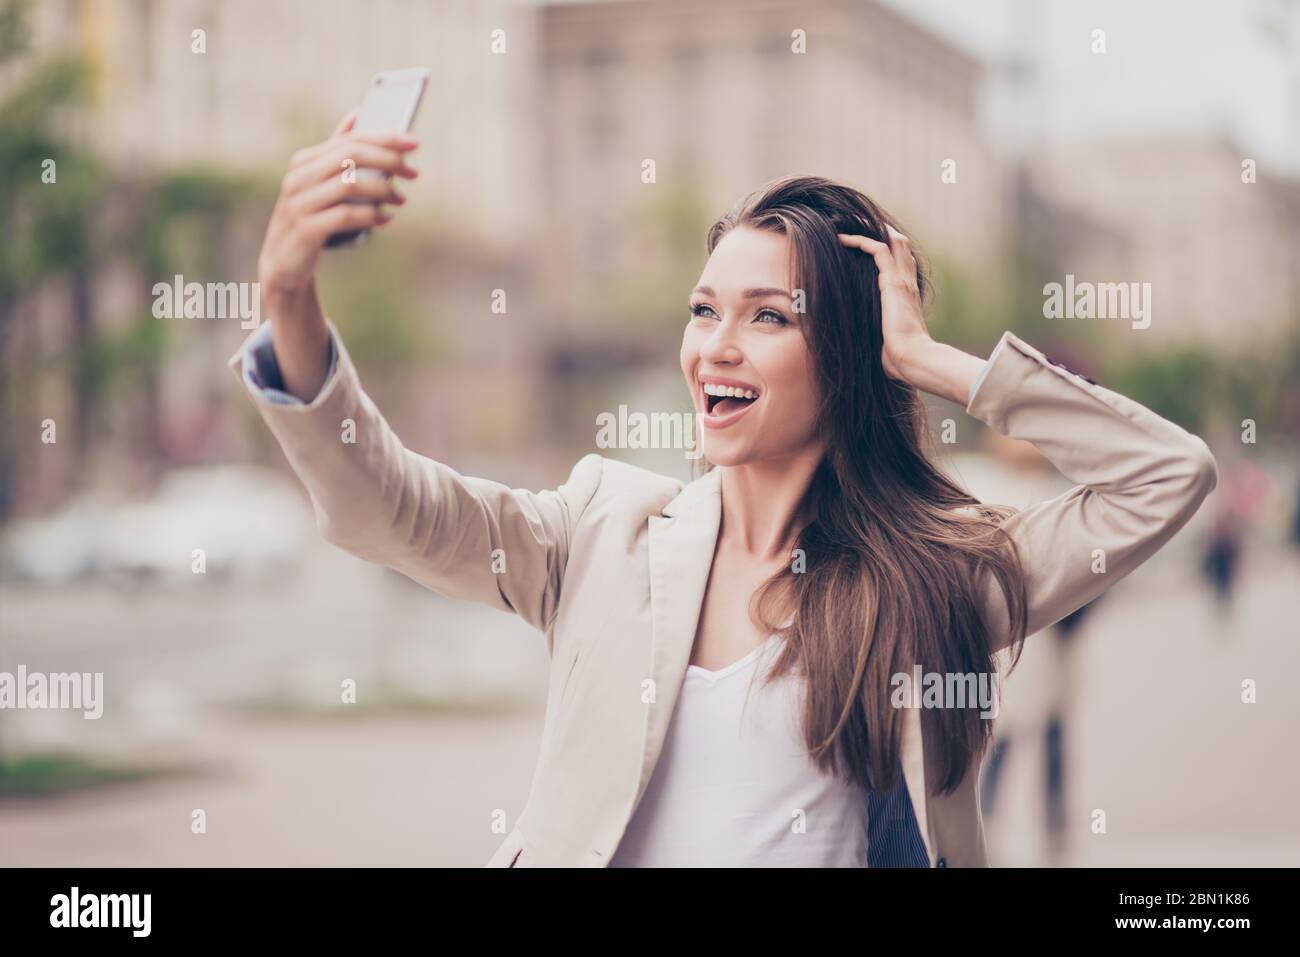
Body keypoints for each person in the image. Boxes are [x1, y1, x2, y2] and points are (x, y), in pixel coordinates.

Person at [227, 114, 1219, 867]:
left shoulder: (934, 578)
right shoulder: (599, 529)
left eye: (767, 317)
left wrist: (927, 357)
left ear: (846, 353)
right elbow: (385, 510)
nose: (716, 347)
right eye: (704, 310)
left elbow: (1164, 479)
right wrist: (287, 300)